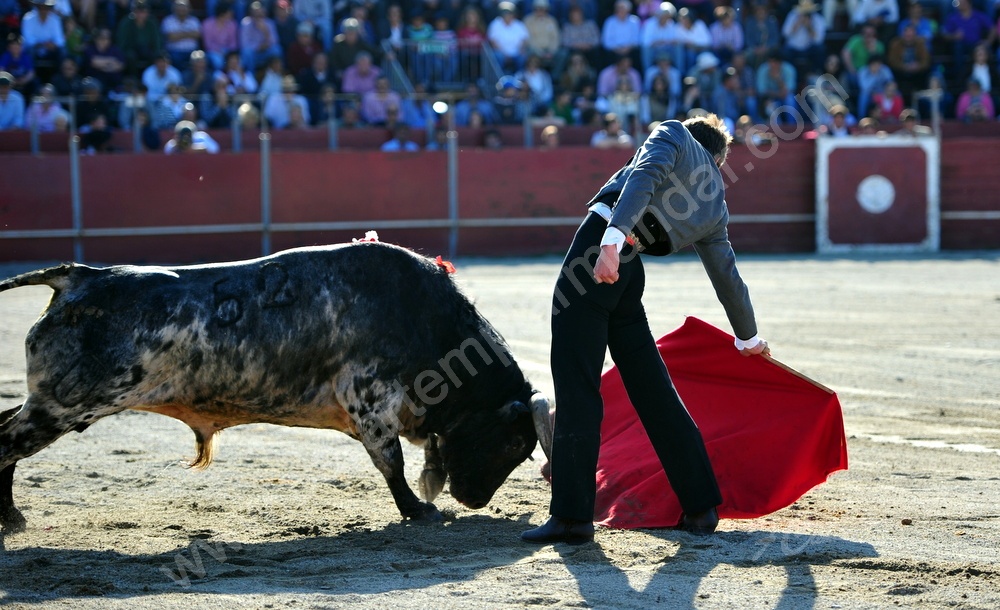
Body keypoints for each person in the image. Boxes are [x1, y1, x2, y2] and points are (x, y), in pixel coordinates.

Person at [521, 113, 767, 545]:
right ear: (719, 157)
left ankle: (573, 516)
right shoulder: (716, 206)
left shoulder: (673, 133)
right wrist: (748, 337)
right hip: (630, 276)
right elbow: (726, 273)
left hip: (600, 255)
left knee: (577, 382)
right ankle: (700, 505)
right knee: (654, 390)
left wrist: (611, 243)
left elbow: (644, 176)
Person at [161, 0, 201, 71]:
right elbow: (171, 37)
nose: (182, 9)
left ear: (189, 9)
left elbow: (197, 35)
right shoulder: (167, 20)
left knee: (200, 59)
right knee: (175, 59)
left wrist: (179, 34)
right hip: (174, 51)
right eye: (179, 7)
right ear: (174, 8)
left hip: (192, 51)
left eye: (184, 7)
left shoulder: (194, 21)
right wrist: (189, 33)